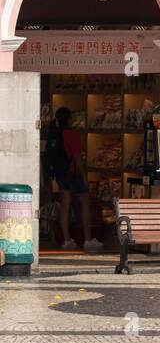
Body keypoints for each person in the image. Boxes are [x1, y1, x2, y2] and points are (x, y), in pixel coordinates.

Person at [45, 107, 103, 253]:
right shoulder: (72, 134)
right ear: (69, 119)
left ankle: (66, 240)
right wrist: (83, 177)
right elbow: (76, 157)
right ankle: (88, 239)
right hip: (72, 173)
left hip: (61, 174)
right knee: (85, 203)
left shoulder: (55, 134)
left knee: (65, 205)